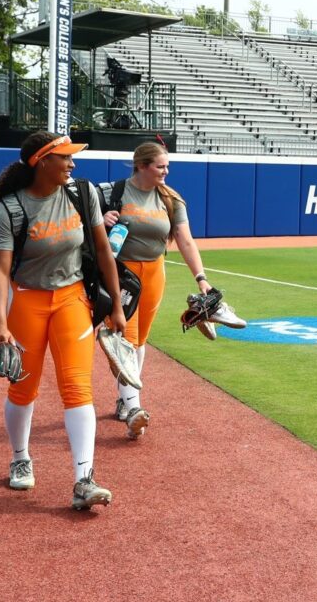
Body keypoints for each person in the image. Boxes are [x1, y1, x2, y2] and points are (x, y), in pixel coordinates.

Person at [0, 131, 128, 510]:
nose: (72, 164)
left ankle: (84, 479)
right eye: (65, 157)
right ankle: (20, 456)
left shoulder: (82, 194)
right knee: (23, 389)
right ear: (42, 162)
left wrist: (116, 304)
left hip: (72, 299)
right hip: (28, 301)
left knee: (78, 387)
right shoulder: (11, 209)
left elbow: (102, 249)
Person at [99, 141, 244, 440]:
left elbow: (185, 239)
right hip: (120, 275)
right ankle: (134, 408)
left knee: (139, 342)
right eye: (160, 166)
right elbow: (79, 223)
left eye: (167, 166)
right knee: (123, 337)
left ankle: (126, 398)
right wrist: (100, 221)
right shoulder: (111, 192)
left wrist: (202, 279)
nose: (166, 171)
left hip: (154, 274)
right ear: (141, 165)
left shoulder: (170, 198)